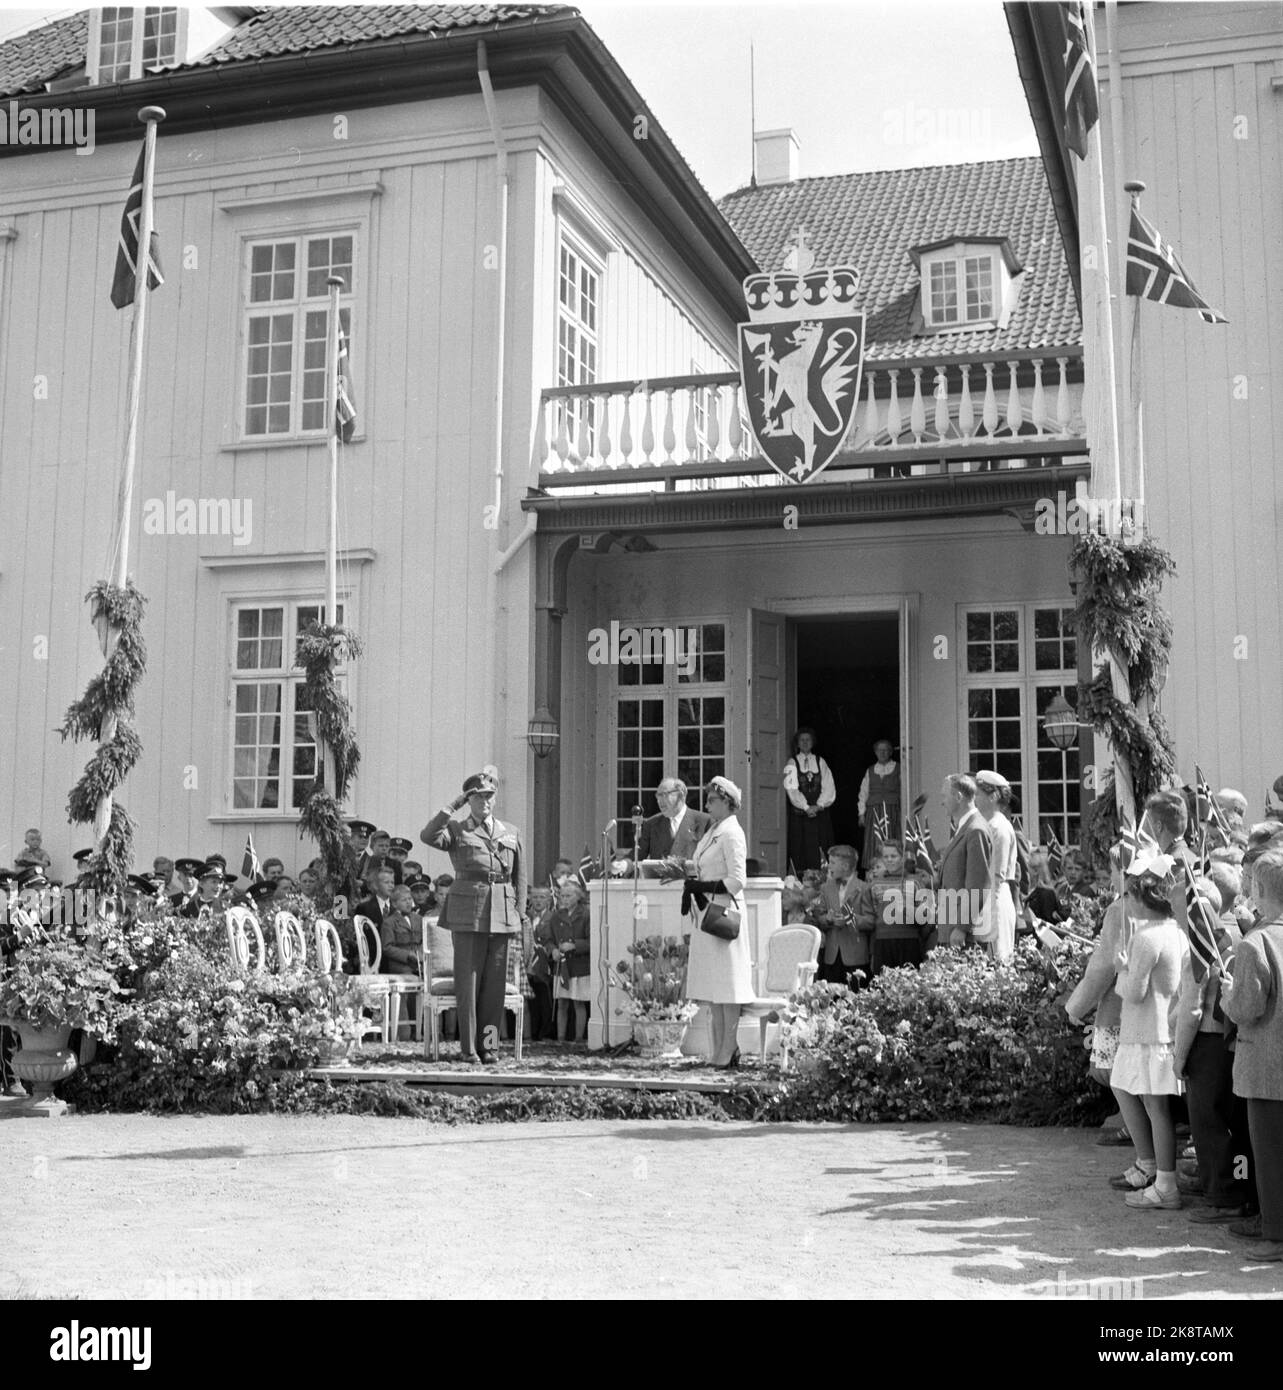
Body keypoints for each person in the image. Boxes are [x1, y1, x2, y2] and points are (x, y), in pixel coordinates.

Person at [421, 771, 527, 1064]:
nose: (485, 801)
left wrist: (519, 915)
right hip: (469, 910)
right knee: (468, 982)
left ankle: (489, 1047)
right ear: (469, 800)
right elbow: (428, 836)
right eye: (478, 796)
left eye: (489, 796)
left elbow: (520, 878)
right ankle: (469, 1049)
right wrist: (452, 806)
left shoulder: (510, 831)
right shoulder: (456, 829)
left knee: (494, 987)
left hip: (502, 912)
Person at [1174, 866, 1258, 1225]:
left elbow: (1192, 1011)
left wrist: (1178, 1059)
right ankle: (1238, 1190)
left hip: (1208, 1045)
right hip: (1231, 1044)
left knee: (1208, 1124)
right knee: (1232, 1124)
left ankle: (1224, 1196)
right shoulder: (1237, 937)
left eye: (1178, 906)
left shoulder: (1199, 948)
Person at [1108, 848, 1190, 1211]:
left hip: (1147, 1034)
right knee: (1138, 1095)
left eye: (1129, 894)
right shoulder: (1174, 931)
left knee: (1156, 1107)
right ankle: (1153, 1169)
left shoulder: (1145, 938)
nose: (1126, 901)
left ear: (1143, 898)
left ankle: (1164, 1182)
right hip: (1157, 1032)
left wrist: (1121, 970)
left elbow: (1134, 991)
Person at [1219, 846, 1283, 1260]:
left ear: (1259, 889)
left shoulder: (1254, 943)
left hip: (1265, 1065)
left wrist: (1227, 995)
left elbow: (1246, 1008)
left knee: (1269, 1155)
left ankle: (1276, 1235)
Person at [682, 776, 753, 1068]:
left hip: (724, 914)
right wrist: (691, 882)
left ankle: (728, 1049)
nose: (707, 803)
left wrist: (703, 888)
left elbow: (737, 880)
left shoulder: (732, 833)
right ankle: (723, 1048)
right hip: (707, 913)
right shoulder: (715, 830)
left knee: (729, 986)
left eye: (712, 799)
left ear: (727, 802)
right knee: (715, 988)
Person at [855, 840, 933, 977]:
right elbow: (870, 919)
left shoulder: (915, 882)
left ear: (902, 857)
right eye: (886, 857)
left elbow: (926, 917)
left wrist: (909, 913)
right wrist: (853, 919)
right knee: (883, 988)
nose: (889, 860)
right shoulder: (873, 886)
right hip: (882, 944)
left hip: (910, 943)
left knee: (910, 987)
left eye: (893, 856)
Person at [935, 774, 991, 947]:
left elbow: (977, 885)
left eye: (944, 796)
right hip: (951, 927)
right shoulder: (966, 828)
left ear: (958, 797)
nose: (941, 802)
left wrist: (961, 927)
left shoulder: (975, 830)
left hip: (961, 934)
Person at [974, 770, 1018, 963]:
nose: (974, 799)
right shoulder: (987, 824)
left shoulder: (997, 827)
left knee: (996, 962)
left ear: (992, 797)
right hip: (988, 899)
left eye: (978, 794)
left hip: (994, 900)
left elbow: (995, 875)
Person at [811, 844, 866, 987]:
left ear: (846, 866)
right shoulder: (826, 888)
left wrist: (850, 919)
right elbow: (819, 915)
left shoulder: (865, 888)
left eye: (833, 863)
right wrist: (827, 919)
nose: (829, 866)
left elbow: (872, 920)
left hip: (855, 956)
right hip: (832, 956)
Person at [783, 728, 835, 874]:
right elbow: (791, 788)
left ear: (813, 742)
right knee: (801, 848)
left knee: (820, 847)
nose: (805, 743)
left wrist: (818, 806)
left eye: (808, 740)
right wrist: (806, 807)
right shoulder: (792, 763)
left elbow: (829, 786)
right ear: (797, 743)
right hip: (801, 815)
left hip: (819, 814)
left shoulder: (820, 761)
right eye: (802, 740)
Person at [547, 879, 591, 1042]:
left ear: (578, 896)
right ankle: (560, 1038)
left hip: (580, 966)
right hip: (562, 967)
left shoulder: (586, 914)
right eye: (562, 896)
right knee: (562, 1003)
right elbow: (549, 939)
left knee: (579, 1003)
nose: (564, 899)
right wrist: (553, 951)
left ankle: (579, 1038)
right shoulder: (556, 916)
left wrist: (574, 945)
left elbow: (592, 941)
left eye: (568, 895)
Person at [857, 739, 900, 874]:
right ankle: (874, 873)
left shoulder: (898, 768)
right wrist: (861, 813)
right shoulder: (870, 771)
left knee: (892, 841)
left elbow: (904, 790)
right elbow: (863, 793)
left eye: (886, 749)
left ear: (890, 752)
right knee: (874, 842)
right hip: (874, 812)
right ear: (875, 752)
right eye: (879, 750)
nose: (882, 752)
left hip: (892, 811)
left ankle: (893, 872)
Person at [525, 887, 555, 1041]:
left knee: (545, 1000)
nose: (538, 900)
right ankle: (532, 1032)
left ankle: (546, 1032)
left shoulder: (553, 917)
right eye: (535, 897)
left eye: (542, 897)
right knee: (531, 1001)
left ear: (548, 900)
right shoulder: (525, 917)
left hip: (546, 966)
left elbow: (553, 940)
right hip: (527, 964)